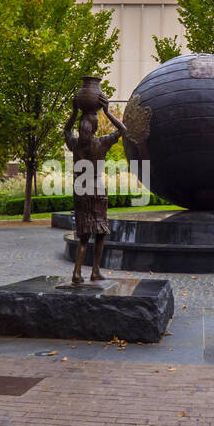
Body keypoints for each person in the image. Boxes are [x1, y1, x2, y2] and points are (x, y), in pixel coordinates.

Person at [63, 94, 126, 284]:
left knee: (83, 235)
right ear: (95, 127)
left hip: (80, 189)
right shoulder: (102, 143)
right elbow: (122, 129)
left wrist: (74, 112)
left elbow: (66, 130)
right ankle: (95, 271)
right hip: (97, 188)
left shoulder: (75, 144)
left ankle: (77, 273)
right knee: (100, 231)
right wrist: (107, 112)